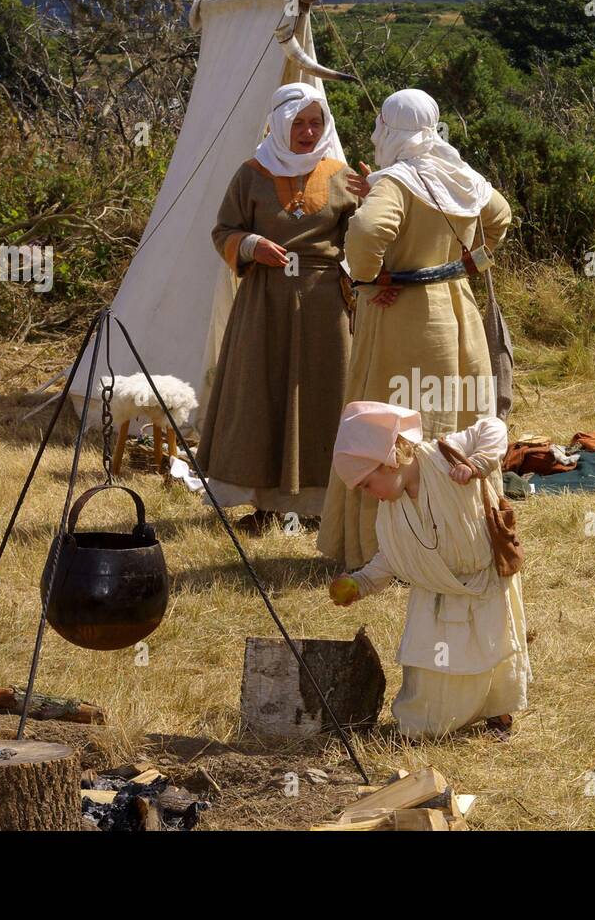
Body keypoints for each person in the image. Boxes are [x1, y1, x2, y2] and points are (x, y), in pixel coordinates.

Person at [318, 89, 513, 567]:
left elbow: (365, 235)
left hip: (403, 317)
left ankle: (389, 548)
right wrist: (470, 257)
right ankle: (456, 537)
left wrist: (369, 278)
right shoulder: (458, 174)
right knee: (454, 417)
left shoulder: (398, 182)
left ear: (389, 128)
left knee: (396, 422)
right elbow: (501, 215)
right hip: (458, 314)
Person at [197, 82, 369, 533]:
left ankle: (319, 506)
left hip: (324, 302)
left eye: (316, 122)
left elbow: (364, 235)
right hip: (265, 302)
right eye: (299, 123)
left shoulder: (342, 174)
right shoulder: (251, 174)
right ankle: (265, 504)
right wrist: (252, 245)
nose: (308, 131)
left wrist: (373, 197)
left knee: (323, 396)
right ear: (279, 123)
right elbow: (223, 231)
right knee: (262, 395)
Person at [326, 401, 530, 739]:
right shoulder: (393, 510)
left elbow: (493, 426)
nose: (369, 494)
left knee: (490, 651)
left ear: (389, 460)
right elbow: (392, 557)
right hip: (435, 591)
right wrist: (359, 583)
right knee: (430, 678)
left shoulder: (443, 455)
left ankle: (497, 714)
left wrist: (477, 463)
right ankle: (429, 722)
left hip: (483, 579)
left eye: (366, 484)